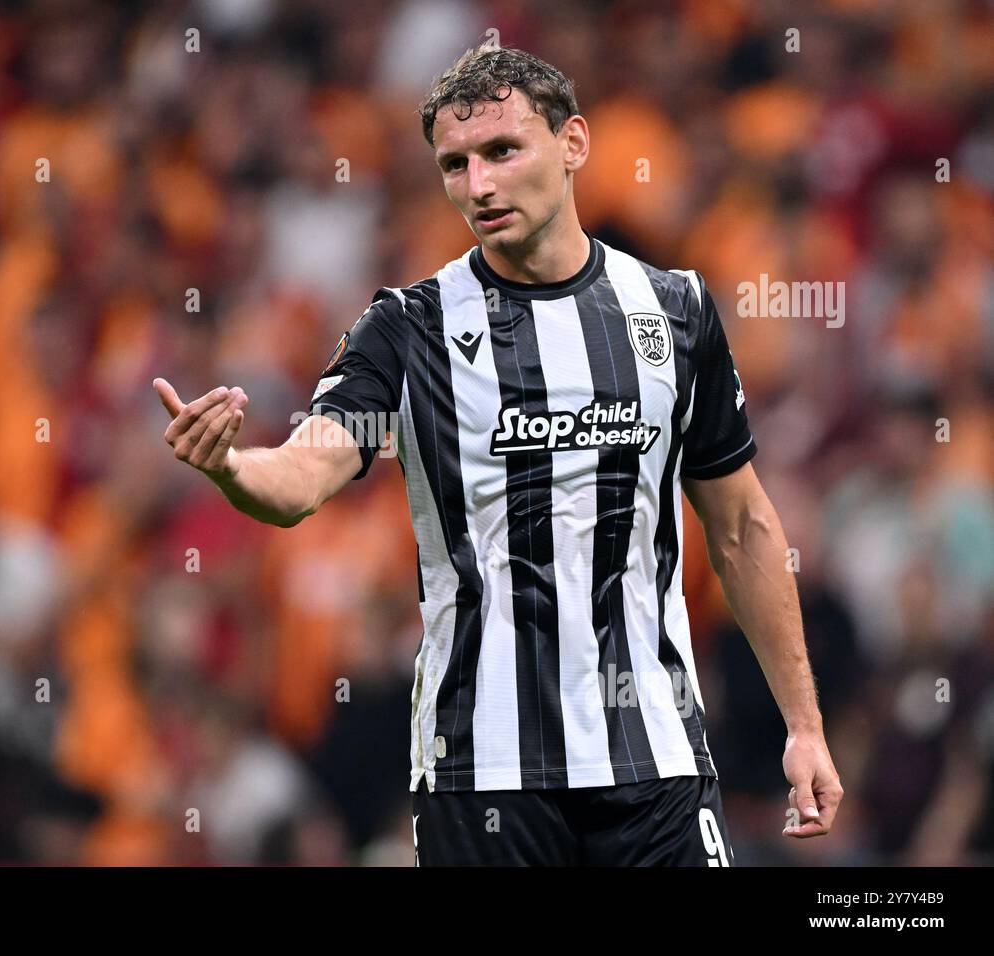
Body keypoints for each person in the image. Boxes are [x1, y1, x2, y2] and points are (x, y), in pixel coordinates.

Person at [153, 42, 842, 866]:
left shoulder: (675, 311)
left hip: (655, 761)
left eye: (502, 151)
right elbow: (303, 477)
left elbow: (742, 527)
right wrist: (232, 466)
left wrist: (804, 725)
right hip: (483, 776)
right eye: (454, 164)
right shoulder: (408, 329)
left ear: (573, 143)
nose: (477, 185)